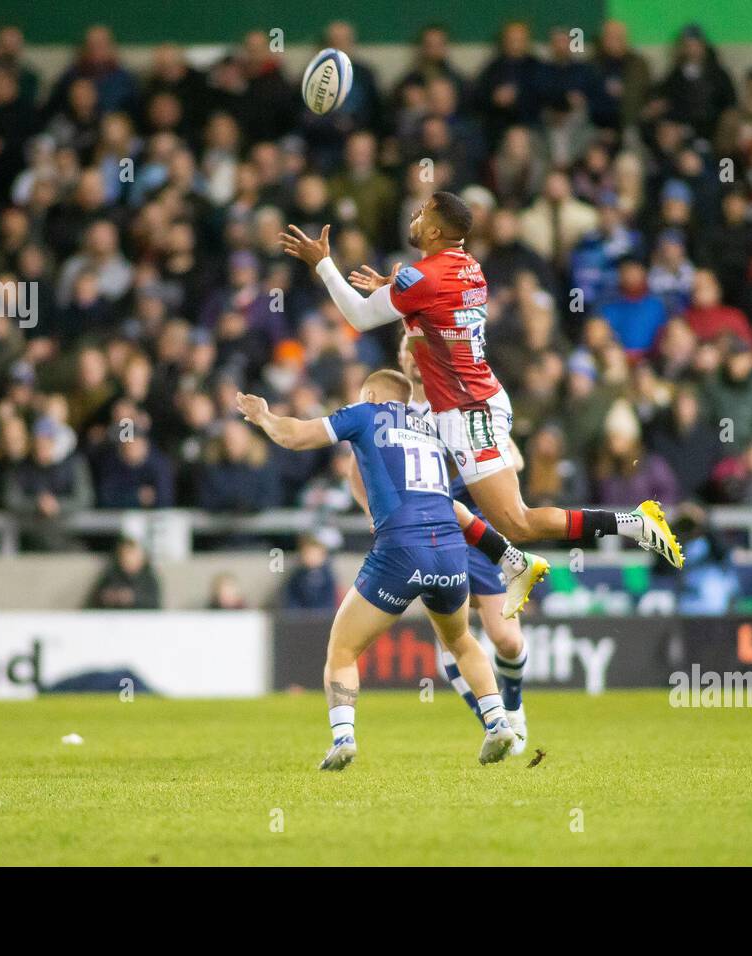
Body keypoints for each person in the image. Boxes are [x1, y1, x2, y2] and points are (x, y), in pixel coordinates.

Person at [278, 191, 684, 571]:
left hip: (466, 411)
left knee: (518, 523)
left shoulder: (424, 279)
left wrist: (323, 265)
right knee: (430, 491)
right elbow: (435, 314)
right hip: (475, 399)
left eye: (423, 214)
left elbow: (362, 318)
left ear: (435, 231)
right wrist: (397, 293)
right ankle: (509, 566)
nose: (415, 217)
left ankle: (634, 523)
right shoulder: (469, 266)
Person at [236, 368, 518, 770]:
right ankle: (497, 723)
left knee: (343, 648)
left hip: (401, 548)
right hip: (452, 548)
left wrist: (264, 416)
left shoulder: (365, 413)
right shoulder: (431, 428)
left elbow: (294, 436)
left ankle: (343, 738)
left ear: (368, 393)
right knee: (460, 642)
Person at [397, 334, 531, 753]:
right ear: (401, 360)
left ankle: (514, 707)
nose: (417, 358)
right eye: (409, 350)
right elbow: (359, 471)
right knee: (453, 634)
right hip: (430, 529)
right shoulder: (393, 414)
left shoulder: (460, 401)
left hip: (479, 527)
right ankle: (494, 726)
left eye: (424, 349)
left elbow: (515, 459)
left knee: (506, 639)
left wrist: (465, 464)